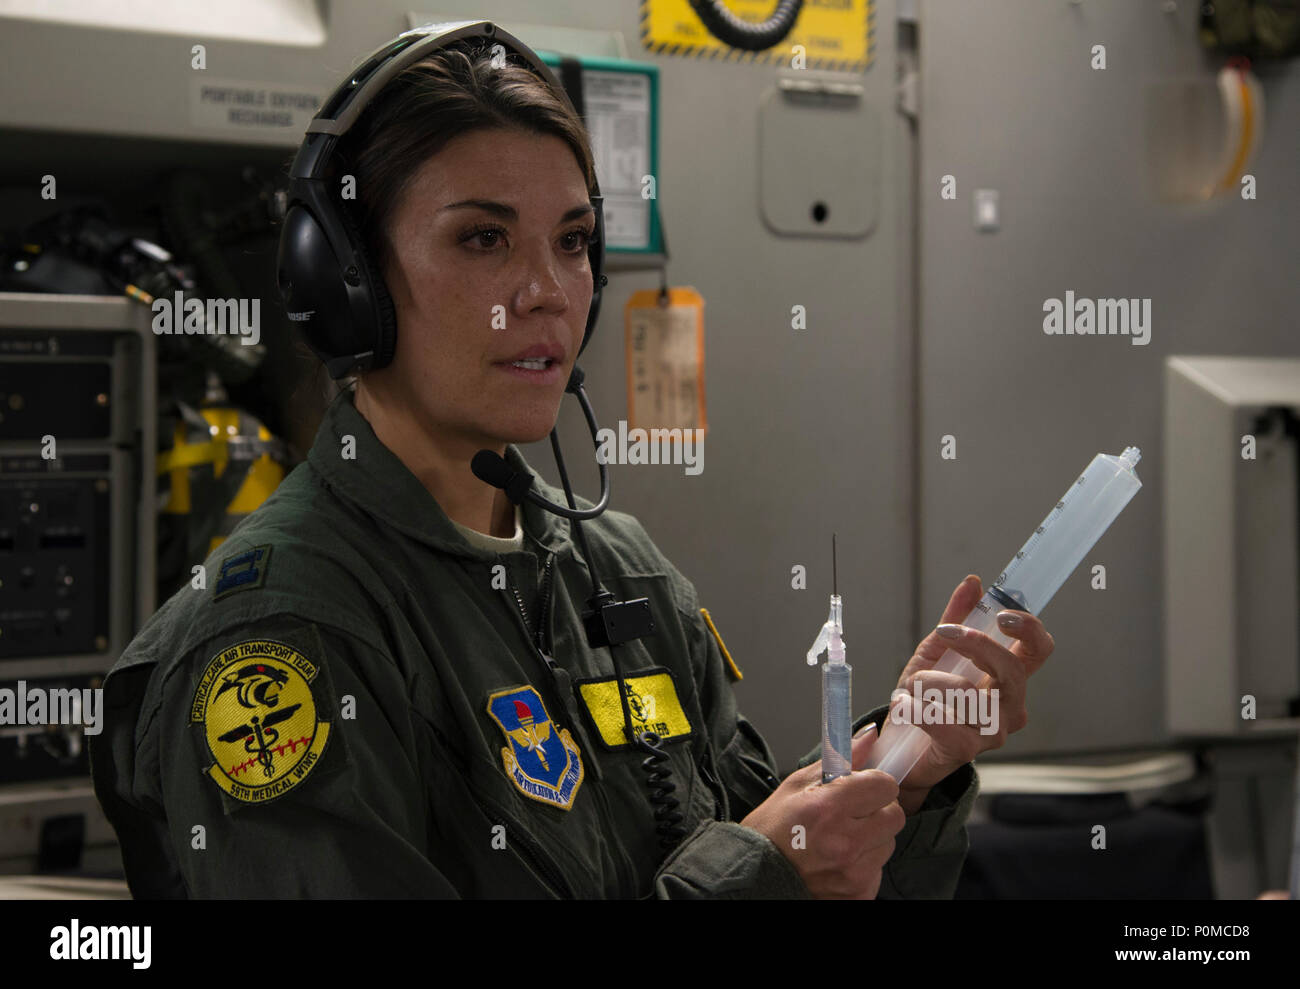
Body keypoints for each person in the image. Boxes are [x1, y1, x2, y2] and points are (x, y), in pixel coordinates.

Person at [89, 27, 1055, 899]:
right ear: (347, 285)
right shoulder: (277, 638)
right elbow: (754, 868)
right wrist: (760, 878)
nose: (547, 292)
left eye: (574, 241)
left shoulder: (618, 569)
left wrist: (901, 769)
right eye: (483, 238)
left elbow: (766, 848)